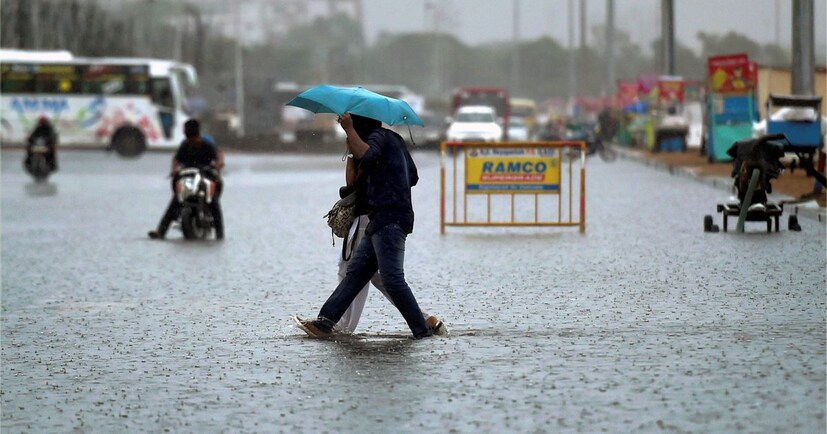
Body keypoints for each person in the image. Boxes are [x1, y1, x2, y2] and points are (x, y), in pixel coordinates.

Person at [295, 113, 433, 339]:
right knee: (356, 274)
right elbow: (413, 176)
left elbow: (369, 157)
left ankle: (422, 330)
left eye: (352, 124)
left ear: (359, 125)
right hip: (381, 219)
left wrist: (349, 130)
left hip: (390, 219)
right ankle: (324, 323)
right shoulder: (393, 139)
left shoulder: (377, 137)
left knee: (392, 279)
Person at [334, 147, 447, 336]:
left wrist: (352, 153)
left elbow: (352, 182)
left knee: (352, 270)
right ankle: (424, 319)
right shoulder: (384, 145)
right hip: (376, 216)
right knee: (374, 274)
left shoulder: (366, 146)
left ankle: (341, 326)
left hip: (367, 218)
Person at [148, 119, 225, 240]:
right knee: (176, 200)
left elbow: (218, 155)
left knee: (213, 202)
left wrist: (218, 164)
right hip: (188, 176)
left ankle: (220, 234)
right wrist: (174, 170)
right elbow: (176, 159)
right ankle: (161, 232)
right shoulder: (185, 145)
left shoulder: (207, 144)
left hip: (205, 175)